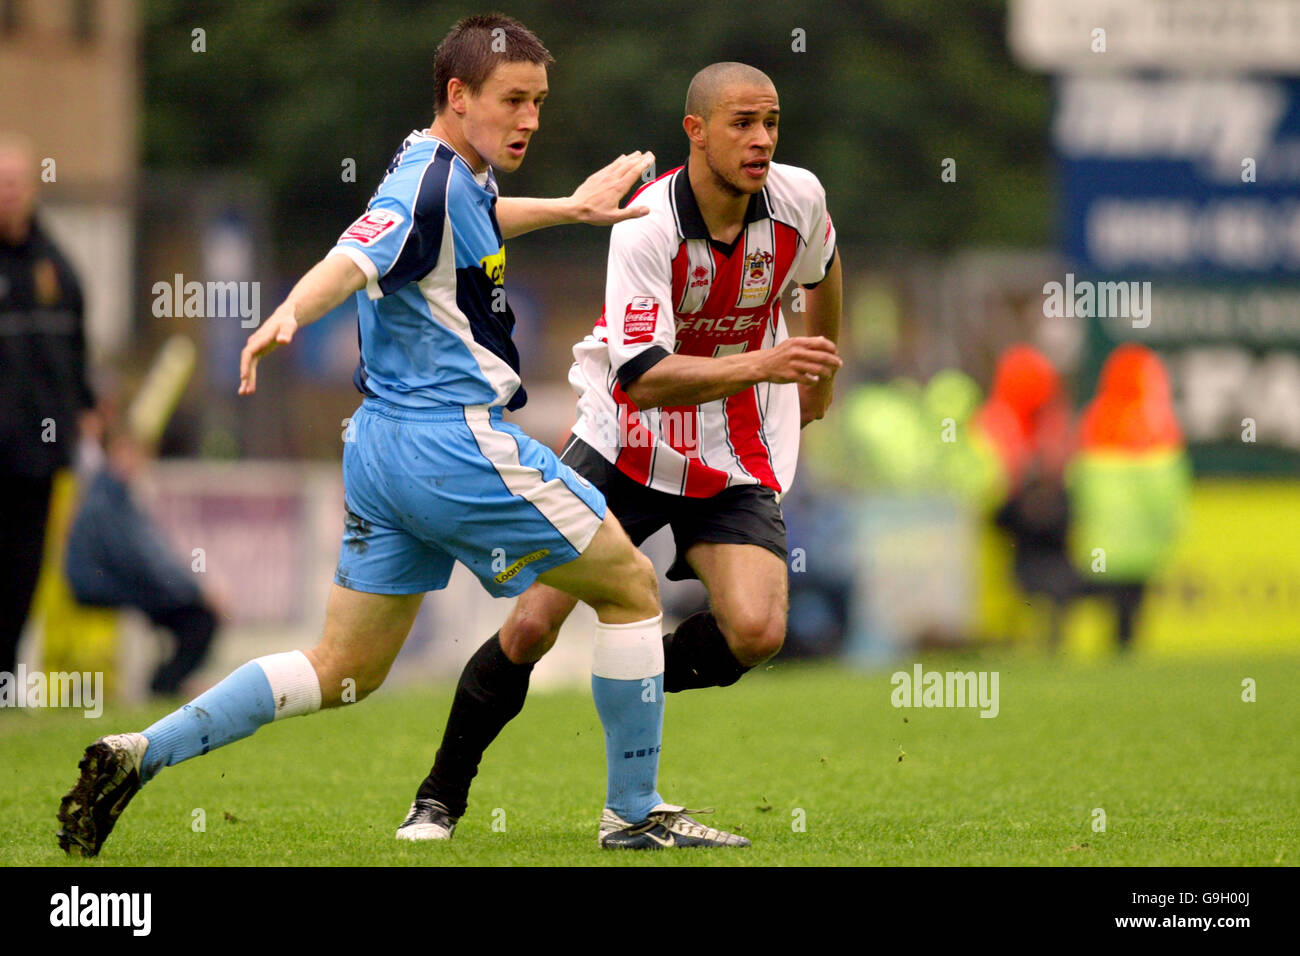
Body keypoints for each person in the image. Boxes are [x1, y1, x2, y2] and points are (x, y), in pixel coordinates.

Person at [57, 14, 744, 857]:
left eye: (539, 101)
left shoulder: (449, 169)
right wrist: (287, 314)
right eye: (513, 100)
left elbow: (468, 222)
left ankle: (142, 751)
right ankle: (634, 814)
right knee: (632, 586)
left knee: (343, 669)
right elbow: (357, 253)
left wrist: (572, 208)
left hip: (379, 448)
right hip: (453, 445)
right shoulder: (422, 186)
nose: (530, 118)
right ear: (459, 96)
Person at [398, 62, 843, 847]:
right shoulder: (645, 224)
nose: (763, 139)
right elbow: (640, 380)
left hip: (733, 448)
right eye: (742, 122)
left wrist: (823, 363)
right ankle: (438, 796)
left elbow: (826, 267)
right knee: (533, 626)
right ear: (694, 132)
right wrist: (768, 364)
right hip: (623, 441)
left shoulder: (798, 198)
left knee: (757, 630)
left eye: (772, 121)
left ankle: (625, 689)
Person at [0, 132, 97, 677]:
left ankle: (5, 678)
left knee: (23, 571)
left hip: (37, 461)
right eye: (1, 183)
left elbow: (76, 356)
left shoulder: (56, 268)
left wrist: (83, 415)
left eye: (15, 182)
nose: (8, 193)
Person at [1069, 344, 1191, 650]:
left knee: (1109, 605)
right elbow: (1164, 487)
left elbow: (1077, 480)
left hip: (1103, 539)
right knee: (1130, 614)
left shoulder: (1094, 418)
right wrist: (1172, 525)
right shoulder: (1154, 422)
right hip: (1141, 541)